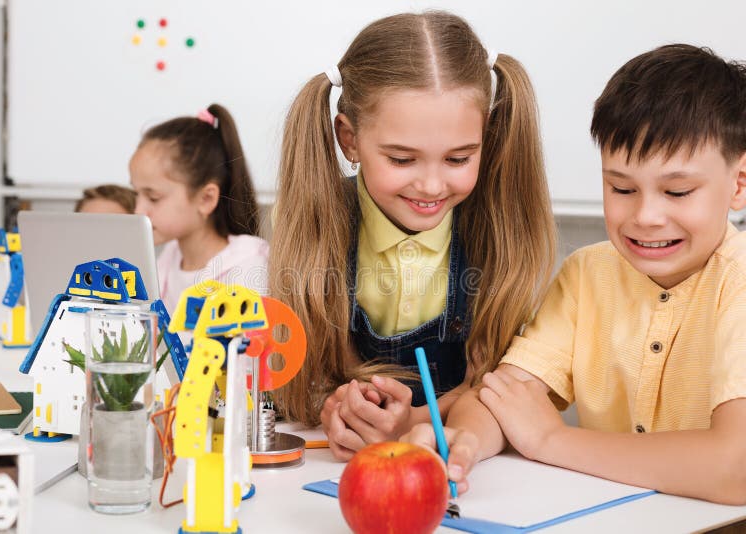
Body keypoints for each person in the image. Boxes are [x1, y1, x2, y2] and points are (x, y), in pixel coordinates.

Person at [405, 44, 746, 505]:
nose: (645, 215)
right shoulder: (587, 275)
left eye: (678, 191)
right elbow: (506, 398)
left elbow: (734, 469)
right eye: (620, 187)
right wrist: (465, 442)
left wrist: (552, 441)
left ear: (739, 184)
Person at [270, 11, 556, 460]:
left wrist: (412, 424)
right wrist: (338, 409)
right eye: (402, 160)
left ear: (486, 138)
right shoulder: (321, 228)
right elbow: (303, 385)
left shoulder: (496, 234)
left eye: (458, 159)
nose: (431, 185)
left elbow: (494, 389)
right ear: (349, 140)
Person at [129, 103, 268, 314]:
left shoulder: (249, 265)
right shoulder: (166, 261)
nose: (139, 211)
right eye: (136, 194)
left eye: (153, 197)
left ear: (206, 199)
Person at [0, 184, 139, 324]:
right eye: (86, 224)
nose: (93, 235)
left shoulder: (131, 281)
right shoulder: (59, 264)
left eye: (107, 226)